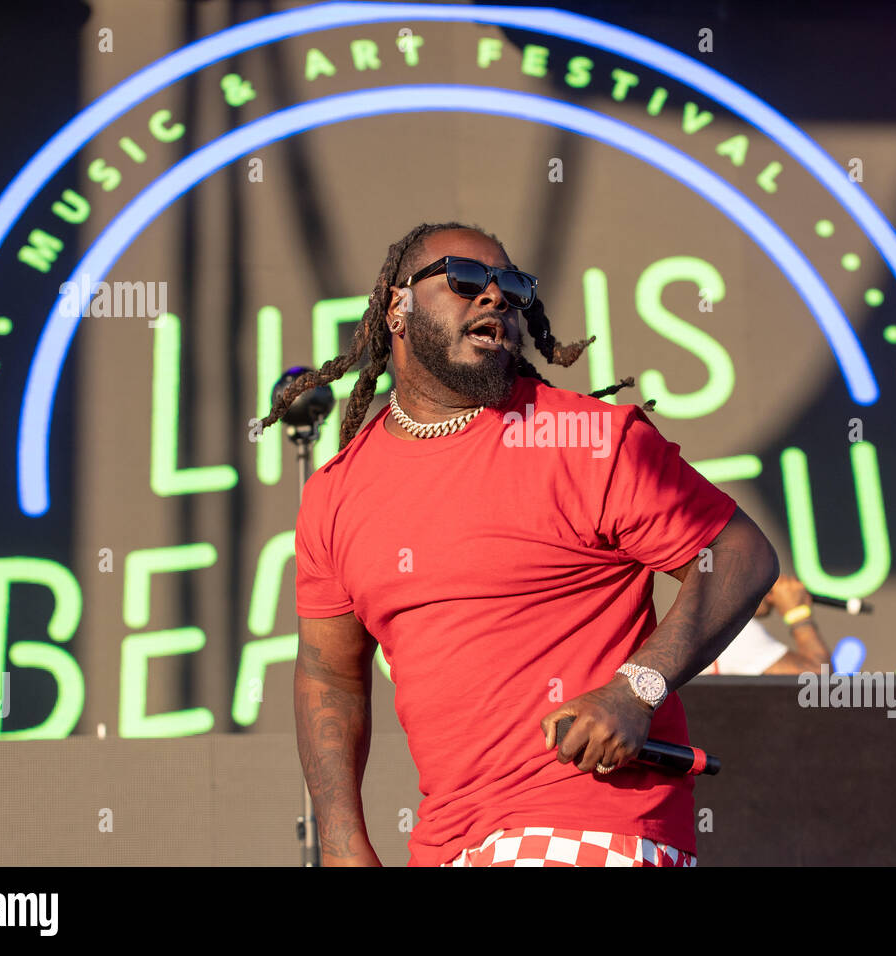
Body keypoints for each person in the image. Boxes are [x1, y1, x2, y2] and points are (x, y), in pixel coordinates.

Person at [261, 221, 779, 867]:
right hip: (447, 842)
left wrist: (634, 690)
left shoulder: (587, 440)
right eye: (467, 279)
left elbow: (738, 554)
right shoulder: (338, 492)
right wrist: (342, 842)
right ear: (397, 306)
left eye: (513, 286)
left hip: (591, 824)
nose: (496, 297)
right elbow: (328, 675)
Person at [703, 570, 833, 675]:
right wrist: (798, 614)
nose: (774, 580)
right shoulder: (733, 630)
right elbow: (820, 680)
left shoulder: (704, 618)